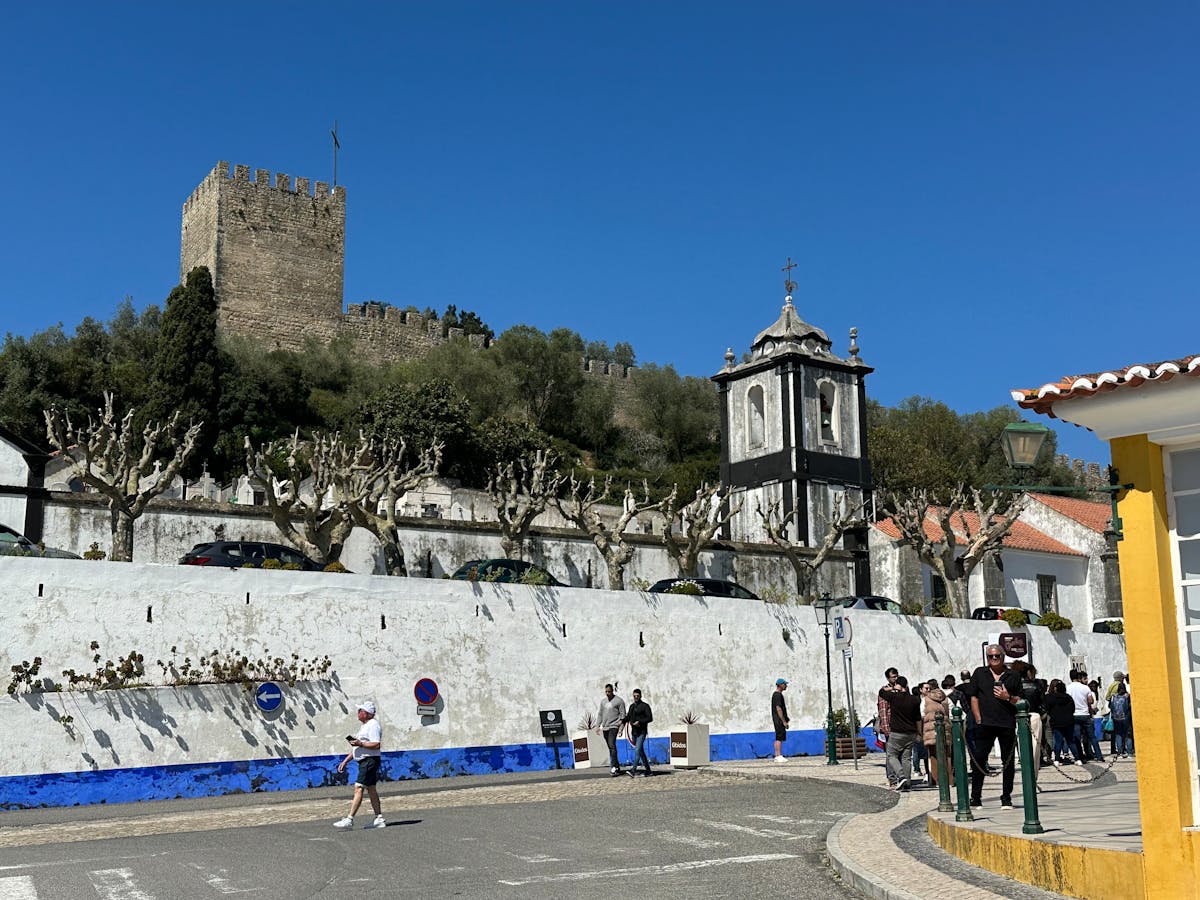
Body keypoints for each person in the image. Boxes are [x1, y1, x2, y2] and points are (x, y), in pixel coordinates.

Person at [966, 645, 1023, 809]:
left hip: (1006, 723)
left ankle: (1006, 797)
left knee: (1008, 762)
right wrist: (978, 717)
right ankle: (975, 796)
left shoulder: (1013, 675)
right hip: (985, 723)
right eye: (990, 656)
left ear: (1003, 656)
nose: (994, 659)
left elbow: (1021, 700)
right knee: (979, 759)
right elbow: (974, 697)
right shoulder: (980, 673)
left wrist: (1007, 697)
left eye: (997, 656)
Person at [333, 701, 386, 829]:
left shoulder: (373, 725)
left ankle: (350, 818)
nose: (358, 713)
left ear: (367, 713)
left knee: (359, 787)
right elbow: (357, 748)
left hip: (369, 761)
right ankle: (379, 818)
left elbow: (376, 744)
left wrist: (360, 744)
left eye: (360, 710)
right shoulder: (365, 726)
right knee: (371, 789)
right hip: (366, 760)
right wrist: (345, 761)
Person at [878, 673, 921, 791]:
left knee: (891, 755)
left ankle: (901, 776)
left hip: (897, 732)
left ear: (898, 686)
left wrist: (892, 688)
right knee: (906, 758)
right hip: (911, 733)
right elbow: (918, 719)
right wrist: (919, 733)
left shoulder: (894, 697)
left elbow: (881, 692)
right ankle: (907, 782)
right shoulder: (915, 699)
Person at [1010, 660, 1046, 776]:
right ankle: (1033, 776)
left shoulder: (1012, 686)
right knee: (1035, 749)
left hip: (1016, 717)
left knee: (1021, 747)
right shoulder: (1036, 685)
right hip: (1034, 715)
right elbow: (1042, 703)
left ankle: (1026, 772)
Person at [1067, 669, 1105, 763]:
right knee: (1092, 737)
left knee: (1077, 737)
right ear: (1079, 678)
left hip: (1074, 715)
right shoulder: (1085, 688)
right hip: (1085, 714)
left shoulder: (1068, 688)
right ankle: (1099, 756)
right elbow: (1091, 701)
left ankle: (1080, 757)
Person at [921, 679, 952, 788]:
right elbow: (951, 713)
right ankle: (949, 780)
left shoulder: (926, 699)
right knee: (947, 754)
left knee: (933, 755)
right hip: (945, 728)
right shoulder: (945, 698)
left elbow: (922, 714)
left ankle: (936, 781)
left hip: (931, 729)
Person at [1044, 678, 1081, 764]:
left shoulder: (1049, 698)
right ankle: (1078, 759)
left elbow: (1047, 708)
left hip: (1056, 722)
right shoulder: (1068, 697)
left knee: (1058, 741)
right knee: (1071, 741)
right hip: (1068, 722)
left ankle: (1057, 760)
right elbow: (1073, 709)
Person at [596, 683, 627, 776]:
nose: (607, 693)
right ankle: (617, 767)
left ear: (612, 691)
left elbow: (623, 715)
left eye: (609, 691)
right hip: (605, 727)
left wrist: (621, 729)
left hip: (614, 726)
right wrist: (598, 725)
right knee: (610, 747)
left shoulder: (619, 701)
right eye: (606, 691)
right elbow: (600, 713)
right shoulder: (603, 702)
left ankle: (613, 766)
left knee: (612, 745)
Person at [876, 667, 900, 786]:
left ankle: (900, 777)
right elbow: (883, 711)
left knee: (901, 754)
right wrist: (886, 728)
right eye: (893, 677)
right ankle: (892, 778)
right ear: (888, 678)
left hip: (901, 725)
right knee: (891, 754)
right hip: (890, 726)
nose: (896, 678)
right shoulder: (884, 691)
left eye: (897, 676)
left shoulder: (900, 688)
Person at [623, 688, 654, 777]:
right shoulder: (632, 706)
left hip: (642, 732)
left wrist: (639, 722)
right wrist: (622, 721)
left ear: (640, 696)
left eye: (637, 696)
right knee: (641, 752)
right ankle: (648, 770)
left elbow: (649, 718)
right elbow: (628, 717)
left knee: (637, 750)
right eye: (634, 696)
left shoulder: (645, 706)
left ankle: (633, 770)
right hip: (634, 733)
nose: (636, 697)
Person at [1110, 683, 1133, 757]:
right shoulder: (1127, 696)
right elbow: (1130, 706)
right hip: (1126, 718)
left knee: (1118, 734)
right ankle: (1129, 752)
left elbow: (1110, 706)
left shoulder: (1113, 696)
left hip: (1116, 718)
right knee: (1128, 735)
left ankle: (1120, 751)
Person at [771, 678, 790, 762]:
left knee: (778, 737)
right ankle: (778, 755)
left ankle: (777, 755)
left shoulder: (776, 695)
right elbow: (778, 708)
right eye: (784, 684)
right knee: (779, 737)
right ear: (780, 685)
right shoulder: (778, 695)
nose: (786, 686)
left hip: (777, 719)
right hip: (779, 720)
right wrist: (784, 721)